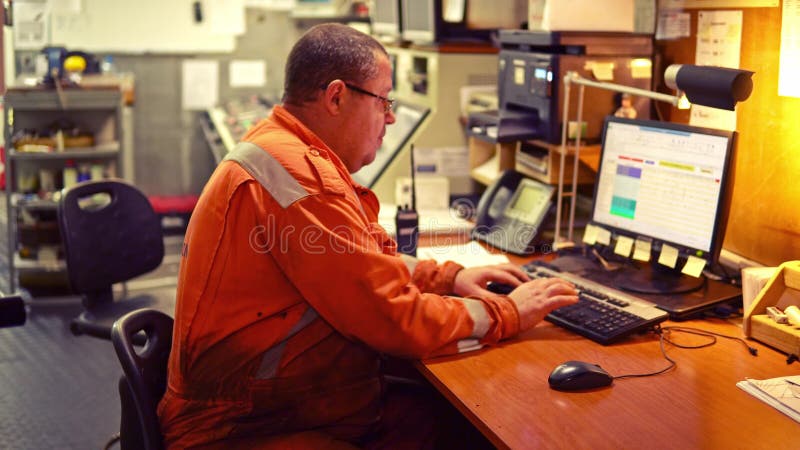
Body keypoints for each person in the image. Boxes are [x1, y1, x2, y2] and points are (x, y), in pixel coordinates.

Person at [158, 23, 579, 449]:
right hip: (244, 428)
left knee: (454, 421)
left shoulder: (286, 149)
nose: (391, 117)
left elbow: (365, 261)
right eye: (383, 100)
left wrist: (448, 278)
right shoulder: (302, 180)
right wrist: (507, 312)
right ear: (336, 97)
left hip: (291, 404)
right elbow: (394, 320)